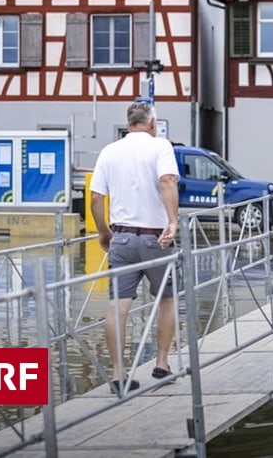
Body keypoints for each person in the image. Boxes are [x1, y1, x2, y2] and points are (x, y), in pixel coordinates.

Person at [89, 101, 180, 395]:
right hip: (156, 239)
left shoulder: (109, 151)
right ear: (152, 124)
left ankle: (119, 374)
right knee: (166, 300)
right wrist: (173, 222)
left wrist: (104, 232)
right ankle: (162, 364)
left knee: (118, 307)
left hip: (122, 238)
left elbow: (95, 197)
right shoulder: (160, 146)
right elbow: (167, 180)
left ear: (129, 123)